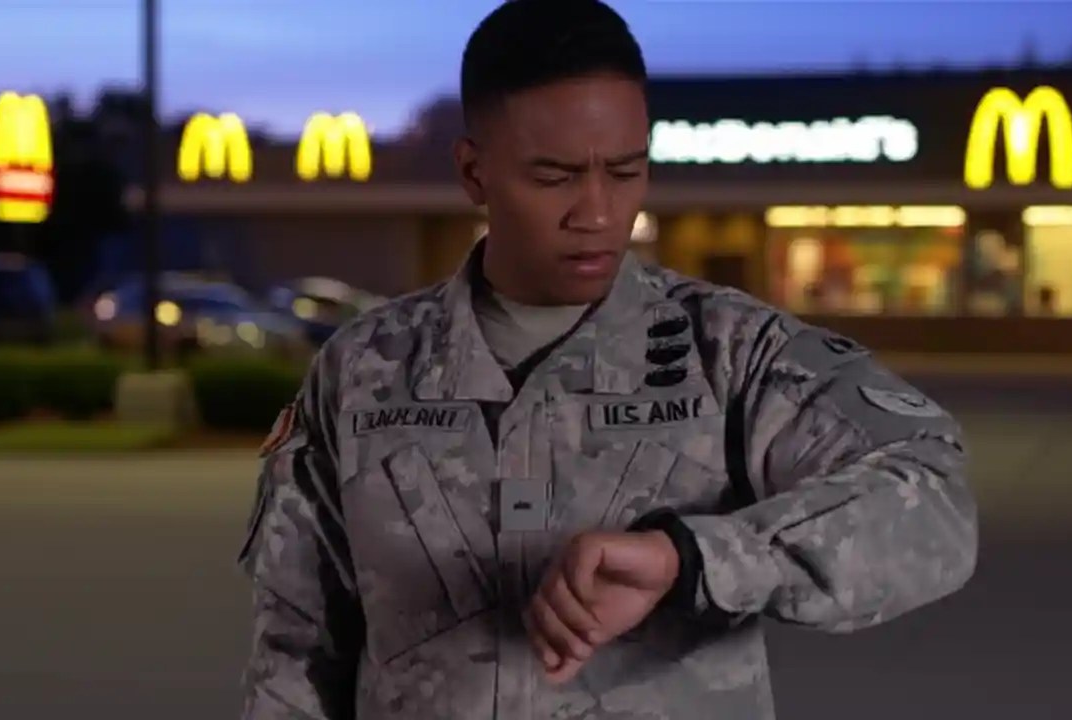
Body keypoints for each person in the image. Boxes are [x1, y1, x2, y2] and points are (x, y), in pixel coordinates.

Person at [237, 1, 978, 718]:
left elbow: (932, 495)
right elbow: (297, 643)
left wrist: (694, 560)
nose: (595, 212)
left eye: (624, 172)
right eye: (554, 177)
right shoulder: (365, 368)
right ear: (474, 174)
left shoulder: (728, 353)